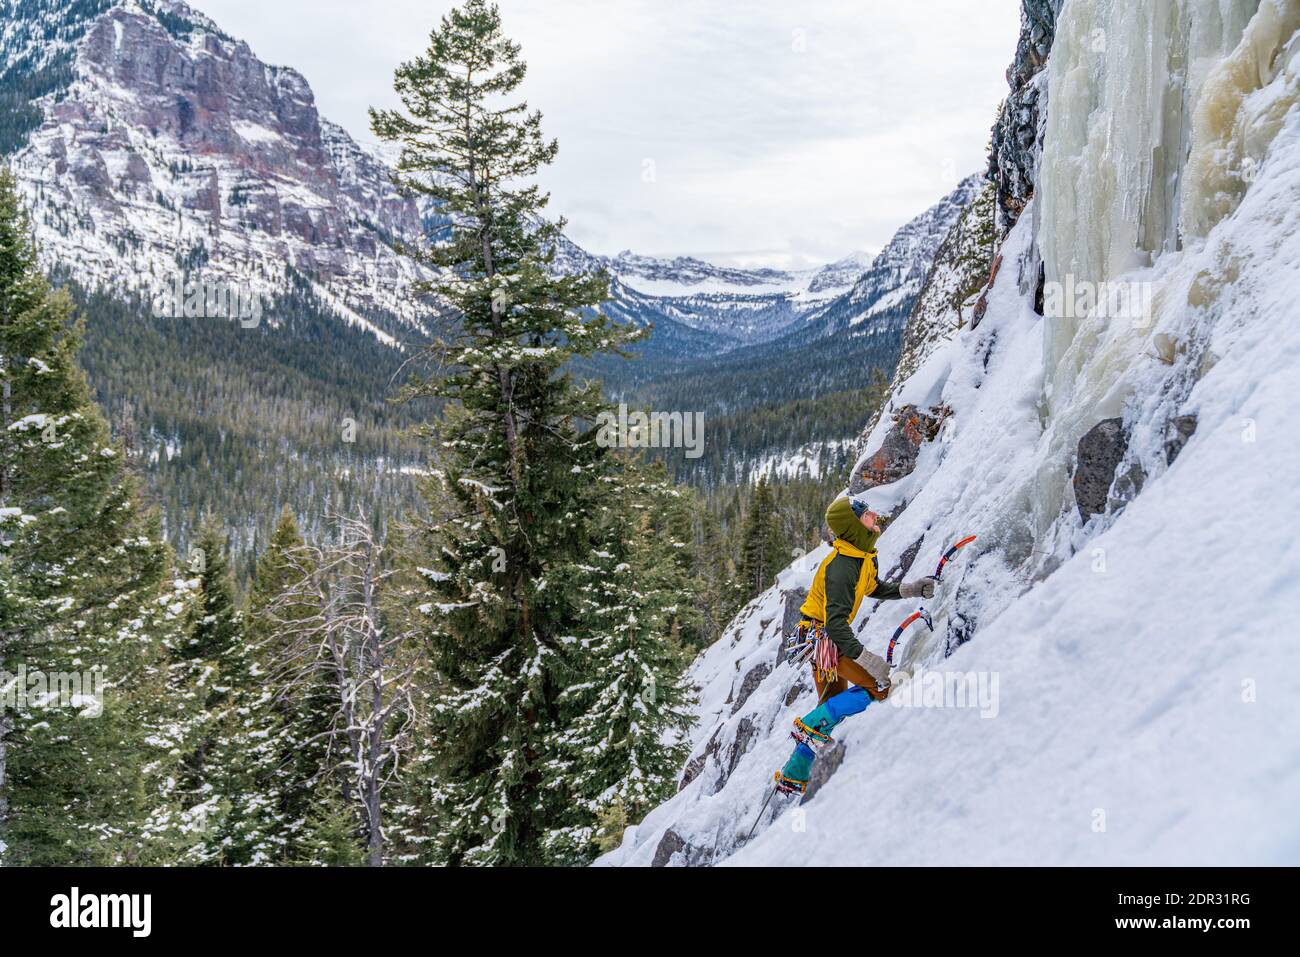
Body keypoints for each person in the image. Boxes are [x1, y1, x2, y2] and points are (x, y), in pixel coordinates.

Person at [776, 496, 935, 793]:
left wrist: (909, 589)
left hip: (817, 638)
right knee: (880, 688)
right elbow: (836, 625)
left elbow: (872, 586)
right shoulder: (842, 567)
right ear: (852, 525)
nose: (874, 516)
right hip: (824, 639)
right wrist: (869, 661)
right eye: (866, 515)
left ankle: (794, 773)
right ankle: (812, 722)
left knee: (830, 706)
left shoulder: (862, 555)